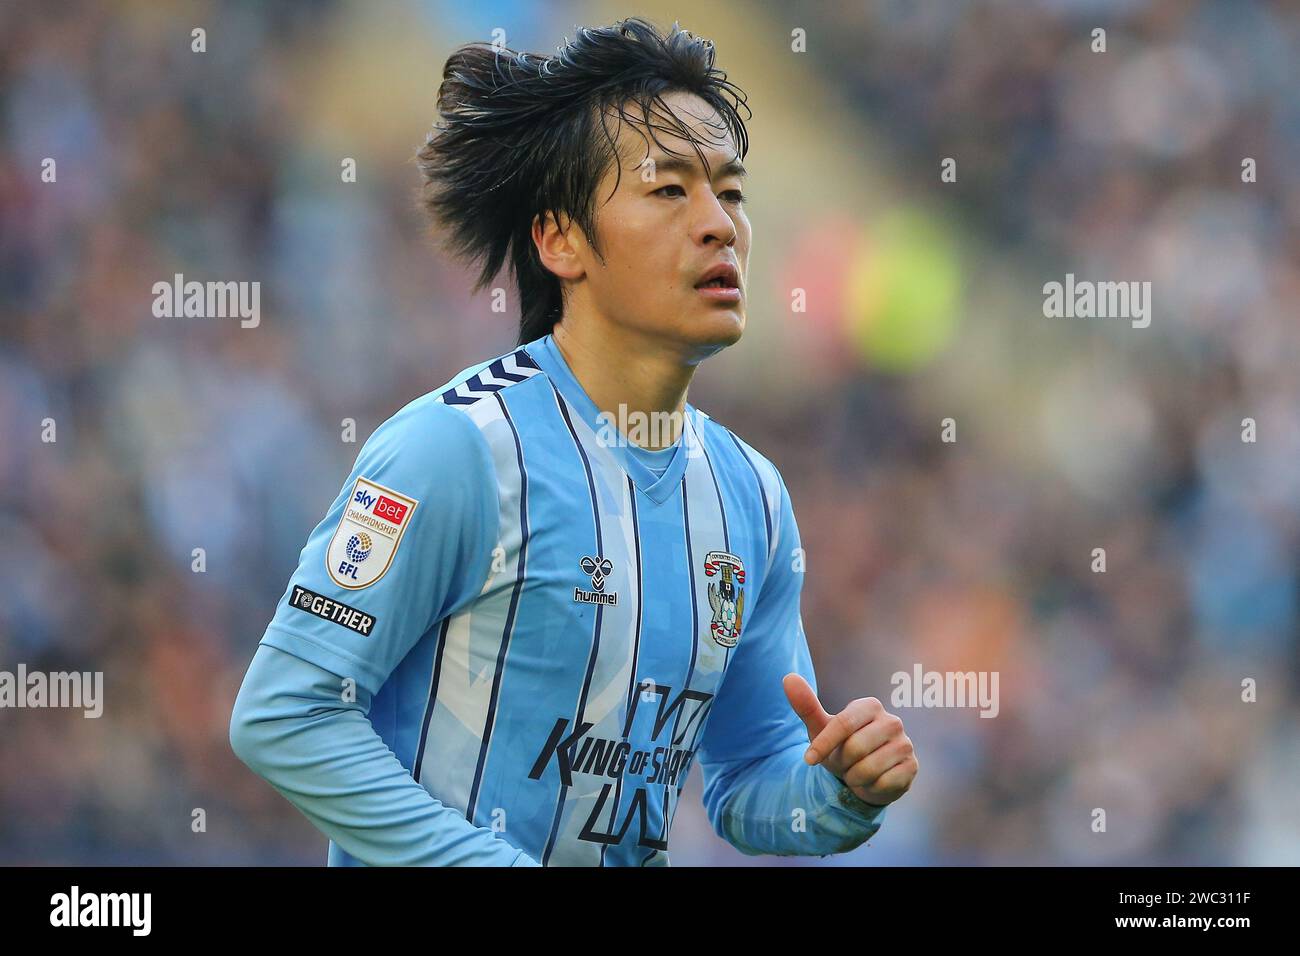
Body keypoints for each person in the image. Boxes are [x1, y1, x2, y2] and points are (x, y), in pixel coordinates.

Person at [229, 16, 916, 867]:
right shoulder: (456, 452)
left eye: (731, 193)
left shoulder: (753, 499)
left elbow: (748, 780)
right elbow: (286, 715)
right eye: (669, 191)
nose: (719, 226)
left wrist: (839, 792)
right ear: (559, 240)